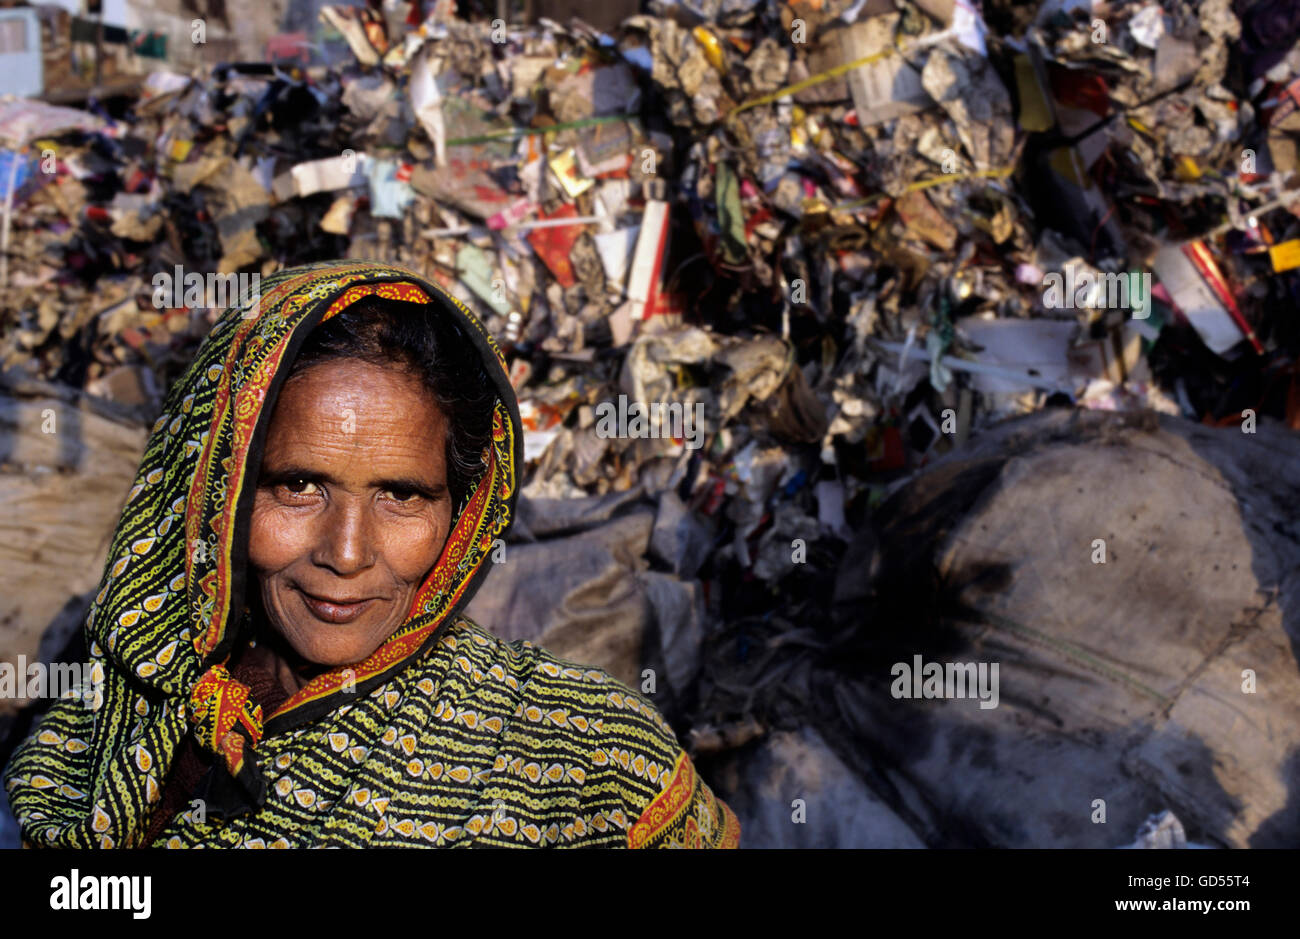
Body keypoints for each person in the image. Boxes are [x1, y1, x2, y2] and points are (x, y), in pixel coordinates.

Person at [3, 259, 740, 848]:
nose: (347, 553)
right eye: (298, 485)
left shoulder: (592, 763)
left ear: (463, 513)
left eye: (402, 495)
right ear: (213, 492)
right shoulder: (115, 725)